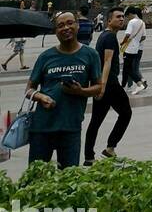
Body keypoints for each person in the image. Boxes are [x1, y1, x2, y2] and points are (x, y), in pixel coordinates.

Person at [25, 11, 103, 168]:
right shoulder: (46, 56)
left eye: (70, 23)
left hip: (70, 127)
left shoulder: (90, 55)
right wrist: (41, 97)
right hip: (42, 127)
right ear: (55, 31)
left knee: (69, 178)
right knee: (35, 176)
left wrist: (80, 91)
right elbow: (29, 90)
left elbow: (99, 88)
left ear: (77, 25)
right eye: (60, 25)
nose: (66, 28)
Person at [84, 8, 132, 164]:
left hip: (102, 82)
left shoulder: (104, 36)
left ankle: (89, 157)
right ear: (108, 20)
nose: (121, 19)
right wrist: (102, 86)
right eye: (117, 17)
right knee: (126, 113)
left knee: (96, 121)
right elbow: (107, 62)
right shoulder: (110, 37)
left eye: (122, 17)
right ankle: (110, 148)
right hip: (109, 83)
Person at [120, 9, 149, 92]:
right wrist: (137, 41)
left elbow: (128, 34)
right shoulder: (142, 23)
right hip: (137, 49)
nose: (127, 18)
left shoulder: (132, 22)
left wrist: (123, 42)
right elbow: (143, 37)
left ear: (130, 14)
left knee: (128, 68)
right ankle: (131, 84)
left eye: (127, 16)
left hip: (129, 49)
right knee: (131, 68)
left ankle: (137, 83)